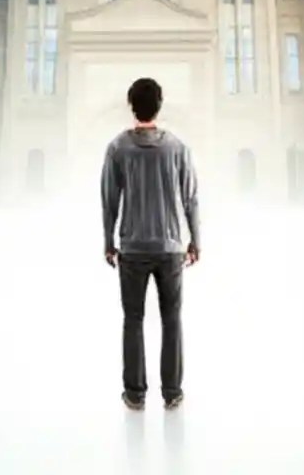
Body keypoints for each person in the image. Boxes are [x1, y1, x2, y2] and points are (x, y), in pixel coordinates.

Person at [101, 77, 200, 411]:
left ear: (132, 105)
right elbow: (191, 198)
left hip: (132, 248)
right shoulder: (178, 148)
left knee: (134, 319)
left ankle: (135, 393)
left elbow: (109, 200)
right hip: (171, 248)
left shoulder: (118, 148)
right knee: (172, 319)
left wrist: (108, 241)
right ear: (159, 105)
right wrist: (195, 240)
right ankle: (172, 392)